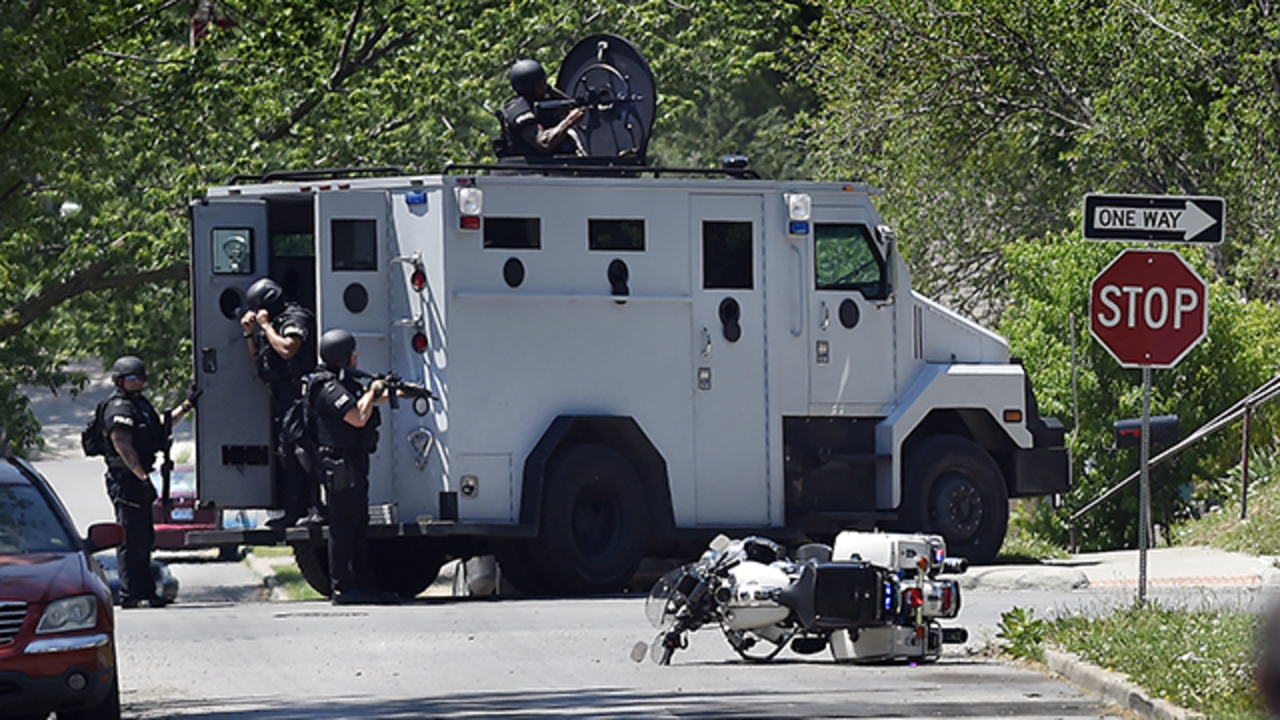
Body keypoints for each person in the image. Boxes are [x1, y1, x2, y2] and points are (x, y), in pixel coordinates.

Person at [310, 329, 398, 605]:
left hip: (353, 462)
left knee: (359, 526)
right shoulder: (327, 387)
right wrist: (371, 394)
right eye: (353, 352)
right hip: (339, 463)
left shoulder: (342, 381)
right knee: (343, 528)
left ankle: (365, 586)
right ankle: (343, 588)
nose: (356, 356)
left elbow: (363, 404)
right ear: (343, 356)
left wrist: (384, 390)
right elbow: (357, 417)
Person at [100, 356, 194, 608]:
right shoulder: (118, 408)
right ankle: (131, 593)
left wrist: (186, 405)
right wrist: (142, 478)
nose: (138, 381)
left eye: (141, 377)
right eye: (132, 377)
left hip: (139, 476)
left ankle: (147, 590)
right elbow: (123, 446)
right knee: (130, 537)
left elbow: (161, 426)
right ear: (120, 381)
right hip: (126, 478)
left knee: (144, 536)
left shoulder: (140, 405)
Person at [240, 277, 318, 527]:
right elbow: (260, 364)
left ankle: (319, 506)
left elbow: (288, 349)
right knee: (287, 455)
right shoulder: (270, 325)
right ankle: (294, 511)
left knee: (305, 451)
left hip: (300, 394)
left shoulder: (295, 317)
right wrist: (249, 335)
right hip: (282, 396)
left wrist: (265, 326)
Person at [497, 58, 586, 157]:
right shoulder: (517, 107)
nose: (544, 88)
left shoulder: (543, 101)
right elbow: (544, 143)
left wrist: (554, 93)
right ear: (528, 88)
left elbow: (571, 103)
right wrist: (570, 120)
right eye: (540, 86)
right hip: (527, 170)